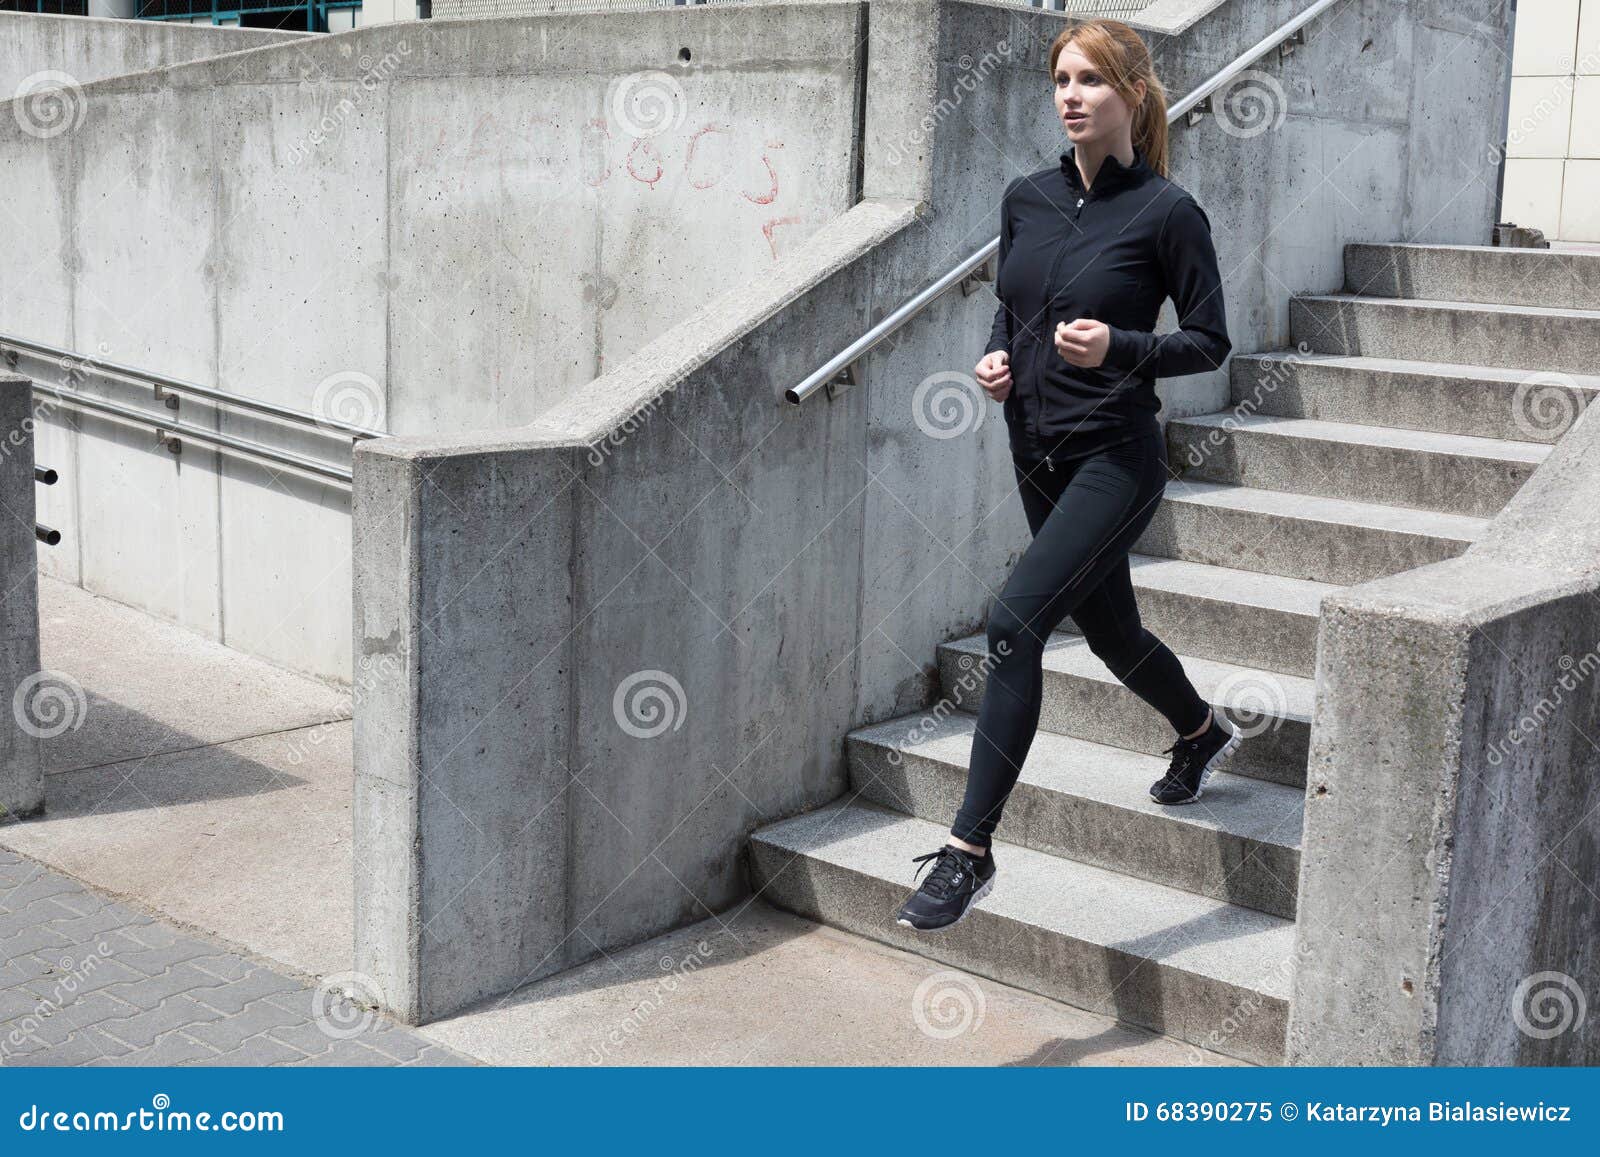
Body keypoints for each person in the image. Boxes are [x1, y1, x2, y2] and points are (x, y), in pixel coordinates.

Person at [895, 19, 1239, 932]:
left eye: (1090, 80)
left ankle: (969, 851)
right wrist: (994, 359)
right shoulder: (1026, 198)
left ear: (1130, 93)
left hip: (1117, 460)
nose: (1071, 96)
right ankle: (1203, 731)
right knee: (1116, 632)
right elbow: (1013, 309)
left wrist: (1120, 347)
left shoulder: (1167, 212)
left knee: (1013, 626)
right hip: (1033, 448)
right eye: (1061, 80)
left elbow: (1209, 341)